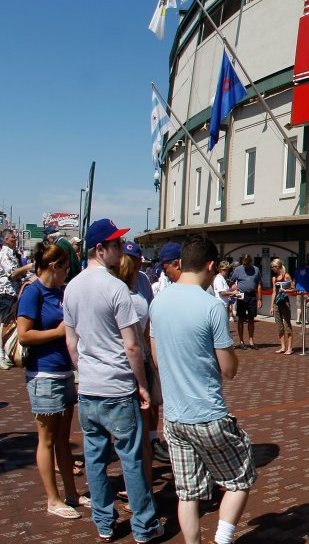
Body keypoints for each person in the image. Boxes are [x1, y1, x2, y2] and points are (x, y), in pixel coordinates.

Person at [150, 235, 256, 544]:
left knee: (188, 491)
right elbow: (228, 368)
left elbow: (156, 358)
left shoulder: (158, 303)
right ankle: (222, 539)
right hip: (207, 414)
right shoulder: (211, 307)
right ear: (211, 265)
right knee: (240, 477)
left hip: (174, 417)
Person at [63, 218, 162, 544]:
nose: (121, 249)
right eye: (116, 245)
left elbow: (72, 343)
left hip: (89, 389)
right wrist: (142, 384)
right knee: (131, 459)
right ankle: (144, 527)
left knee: (95, 458)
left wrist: (83, 373)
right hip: (119, 388)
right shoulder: (116, 287)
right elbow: (132, 344)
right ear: (100, 249)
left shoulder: (73, 287)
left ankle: (104, 523)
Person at [17, 241, 87, 519]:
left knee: (62, 437)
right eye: (65, 268)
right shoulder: (33, 293)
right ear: (54, 266)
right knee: (46, 438)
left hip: (64, 371)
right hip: (43, 373)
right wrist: (58, 333)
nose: (67, 274)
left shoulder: (60, 291)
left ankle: (71, 493)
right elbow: (24, 334)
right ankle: (52, 498)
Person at [117, 245, 168, 478]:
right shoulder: (115, 285)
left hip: (143, 356)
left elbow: (149, 321)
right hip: (122, 362)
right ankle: (136, 480)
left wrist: (152, 354)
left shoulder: (143, 282)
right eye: (135, 261)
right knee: (130, 422)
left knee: (148, 410)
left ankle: (143, 473)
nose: (138, 266)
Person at [1, 227, 34, 369]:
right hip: (5, 292)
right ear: (6, 239)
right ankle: (1, 355)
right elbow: (12, 274)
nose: (15, 240)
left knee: (9, 323)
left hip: (14, 292)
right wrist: (29, 266)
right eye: (13, 238)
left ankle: (9, 352)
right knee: (3, 323)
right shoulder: (4, 253)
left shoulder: (13, 253)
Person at [229, 255, 262, 349]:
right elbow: (231, 283)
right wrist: (235, 289)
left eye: (247, 264)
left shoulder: (256, 270)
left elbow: (259, 284)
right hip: (241, 296)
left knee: (251, 319)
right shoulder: (238, 270)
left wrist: (260, 299)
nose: (245, 266)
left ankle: (251, 341)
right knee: (241, 319)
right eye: (244, 264)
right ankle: (241, 341)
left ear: (250, 262)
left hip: (252, 296)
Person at [269, 258, 295, 355]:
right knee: (279, 326)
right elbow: (273, 292)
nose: (272, 269)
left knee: (287, 324)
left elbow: (293, 289)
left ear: (278, 266)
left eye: (273, 267)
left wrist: (286, 291)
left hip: (284, 302)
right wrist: (271, 306)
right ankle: (283, 346)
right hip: (277, 303)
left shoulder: (286, 276)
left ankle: (290, 348)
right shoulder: (274, 278)